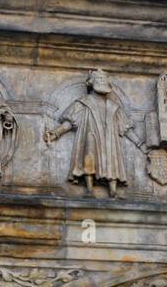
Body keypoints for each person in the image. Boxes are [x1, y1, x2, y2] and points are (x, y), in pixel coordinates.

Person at [44, 69, 144, 198]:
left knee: (112, 160)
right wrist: (55, 133)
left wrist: (140, 144)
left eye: (104, 79)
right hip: (90, 135)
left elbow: (126, 128)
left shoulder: (114, 107)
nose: (102, 81)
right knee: (89, 157)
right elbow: (69, 122)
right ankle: (89, 189)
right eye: (99, 79)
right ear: (91, 83)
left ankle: (113, 190)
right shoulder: (83, 103)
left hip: (110, 139)